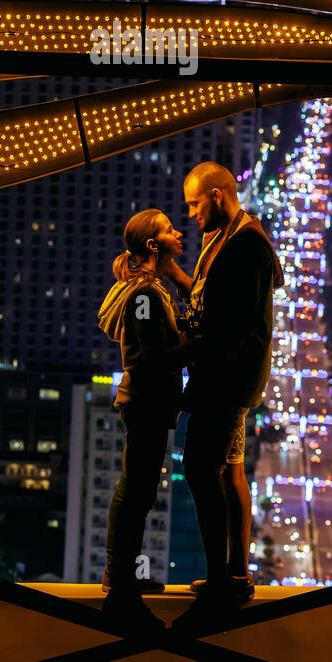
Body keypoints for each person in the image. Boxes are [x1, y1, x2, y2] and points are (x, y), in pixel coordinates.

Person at [163, 161, 283, 628]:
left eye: (194, 204)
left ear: (216, 196)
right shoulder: (227, 238)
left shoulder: (247, 245)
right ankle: (235, 574)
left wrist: (176, 362)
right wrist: (175, 273)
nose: (190, 214)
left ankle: (219, 585)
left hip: (226, 380)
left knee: (199, 469)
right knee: (231, 472)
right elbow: (211, 307)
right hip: (228, 377)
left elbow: (232, 329)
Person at [97, 208, 193, 631]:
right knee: (136, 493)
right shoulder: (144, 296)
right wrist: (203, 345)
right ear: (153, 245)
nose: (179, 233)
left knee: (135, 490)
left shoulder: (148, 290)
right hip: (147, 401)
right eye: (170, 230)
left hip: (147, 401)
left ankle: (120, 578)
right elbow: (159, 355)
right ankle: (122, 592)